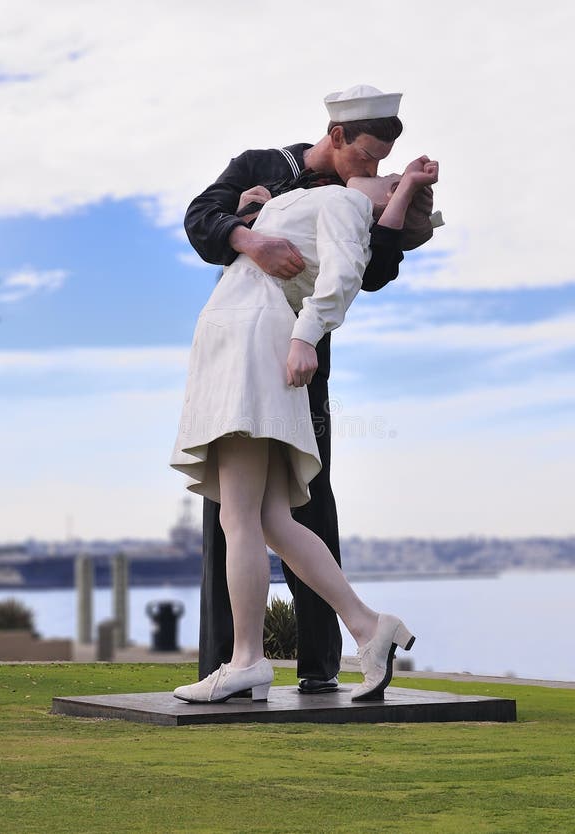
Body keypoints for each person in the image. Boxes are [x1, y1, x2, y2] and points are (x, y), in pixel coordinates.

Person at [184, 85, 436, 694]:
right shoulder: (279, 178)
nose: (374, 172)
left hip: (259, 347)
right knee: (269, 517)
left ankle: (249, 661)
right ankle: (367, 626)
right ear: (337, 135)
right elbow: (203, 219)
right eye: (369, 160)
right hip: (261, 344)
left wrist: (303, 336)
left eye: (385, 173)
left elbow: (358, 272)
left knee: (244, 516)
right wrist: (251, 221)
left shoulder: (346, 202)